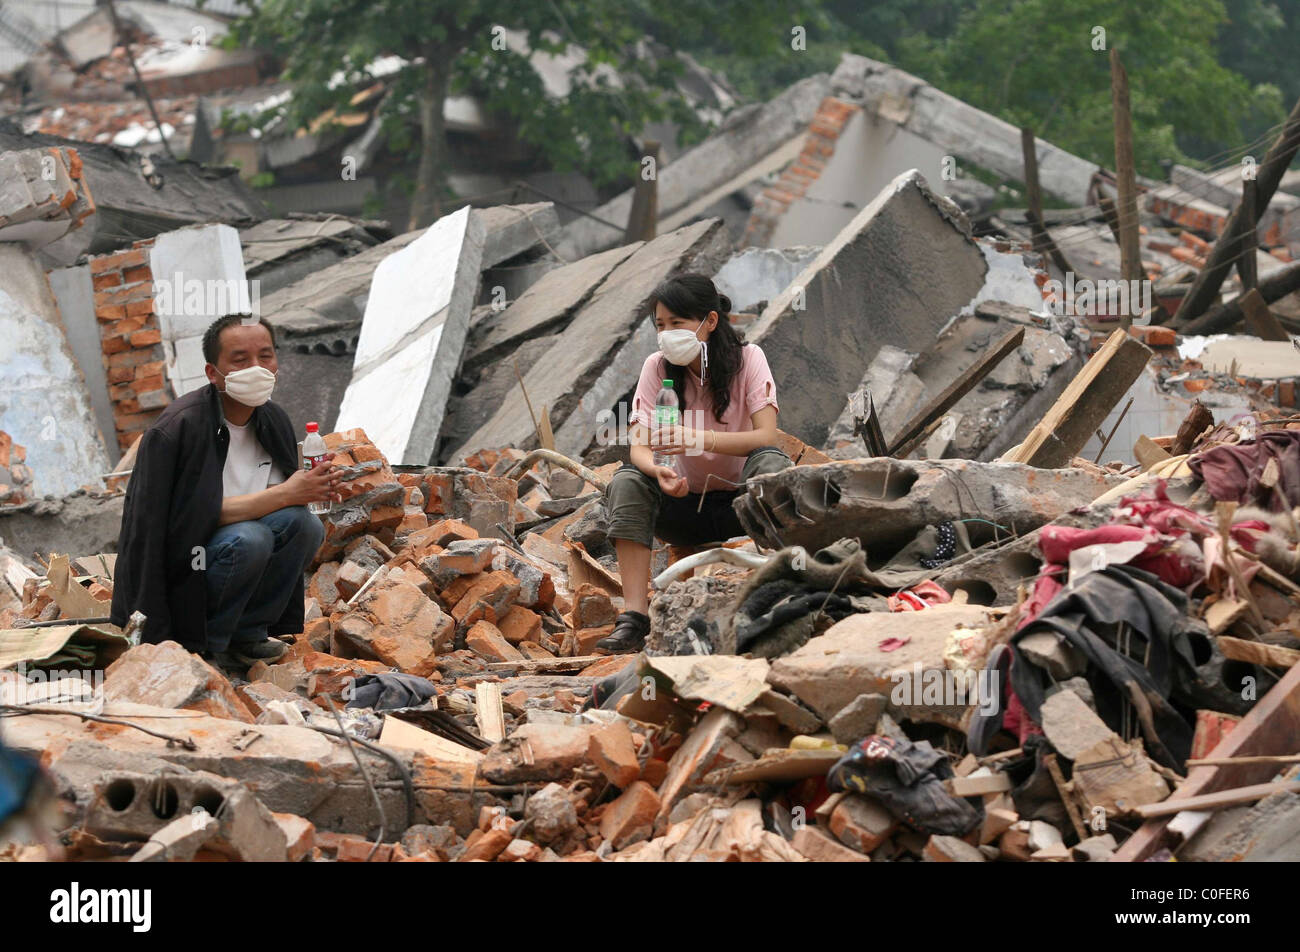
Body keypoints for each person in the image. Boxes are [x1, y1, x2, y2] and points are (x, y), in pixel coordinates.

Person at [109, 314, 343, 671]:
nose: (256, 368)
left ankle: (248, 635)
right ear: (211, 372)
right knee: (250, 538)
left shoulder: (272, 419)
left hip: (237, 548)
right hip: (186, 563)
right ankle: (207, 647)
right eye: (240, 359)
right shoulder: (177, 429)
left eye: (265, 356)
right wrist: (286, 494)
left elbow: (278, 505)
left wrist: (312, 489)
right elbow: (181, 521)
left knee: (304, 525)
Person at [597, 273, 793, 653]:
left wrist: (699, 439)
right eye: (661, 325)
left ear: (710, 321)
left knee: (771, 463)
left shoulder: (749, 360)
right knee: (627, 479)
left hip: (742, 508)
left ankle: (782, 593)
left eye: (677, 323)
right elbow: (639, 447)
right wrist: (658, 470)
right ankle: (634, 618)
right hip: (683, 505)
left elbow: (767, 435)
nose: (668, 333)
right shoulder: (657, 368)